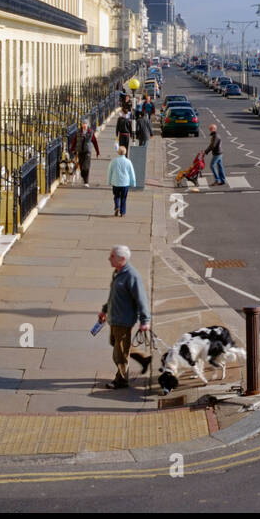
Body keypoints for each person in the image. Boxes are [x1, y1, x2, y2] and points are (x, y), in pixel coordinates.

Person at [97, 246, 150, 389]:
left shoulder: (132, 276)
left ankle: (121, 380)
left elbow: (141, 300)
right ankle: (144, 358)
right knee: (116, 344)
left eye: (112, 256)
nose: (109, 259)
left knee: (119, 354)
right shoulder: (118, 272)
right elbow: (113, 296)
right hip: (114, 318)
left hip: (124, 321)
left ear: (122, 259)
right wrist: (104, 310)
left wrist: (145, 321)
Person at [68, 119, 100, 187]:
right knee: (82, 167)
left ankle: (86, 182)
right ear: (82, 125)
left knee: (86, 167)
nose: (84, 125)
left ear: (88, 125)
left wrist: (97, 151)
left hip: (87, 151)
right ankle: (83, 177)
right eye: (83, 124)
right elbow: (74, 141)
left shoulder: (91, 132)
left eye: (86, 124)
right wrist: (72, 149)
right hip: (80, 151)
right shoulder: (78, 132)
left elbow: (94, 142)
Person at [108, 145, 136, 217]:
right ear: (125, 152)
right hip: (125, 183)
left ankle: (117, 206)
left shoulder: (113, 161)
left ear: (118, 152)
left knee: (116, 196)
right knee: (123, 198)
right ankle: (122, 212)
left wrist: (109, 181)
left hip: (115, 182)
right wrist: (133, 183)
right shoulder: (128, 162)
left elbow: (109, 172)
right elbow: (131, 173)